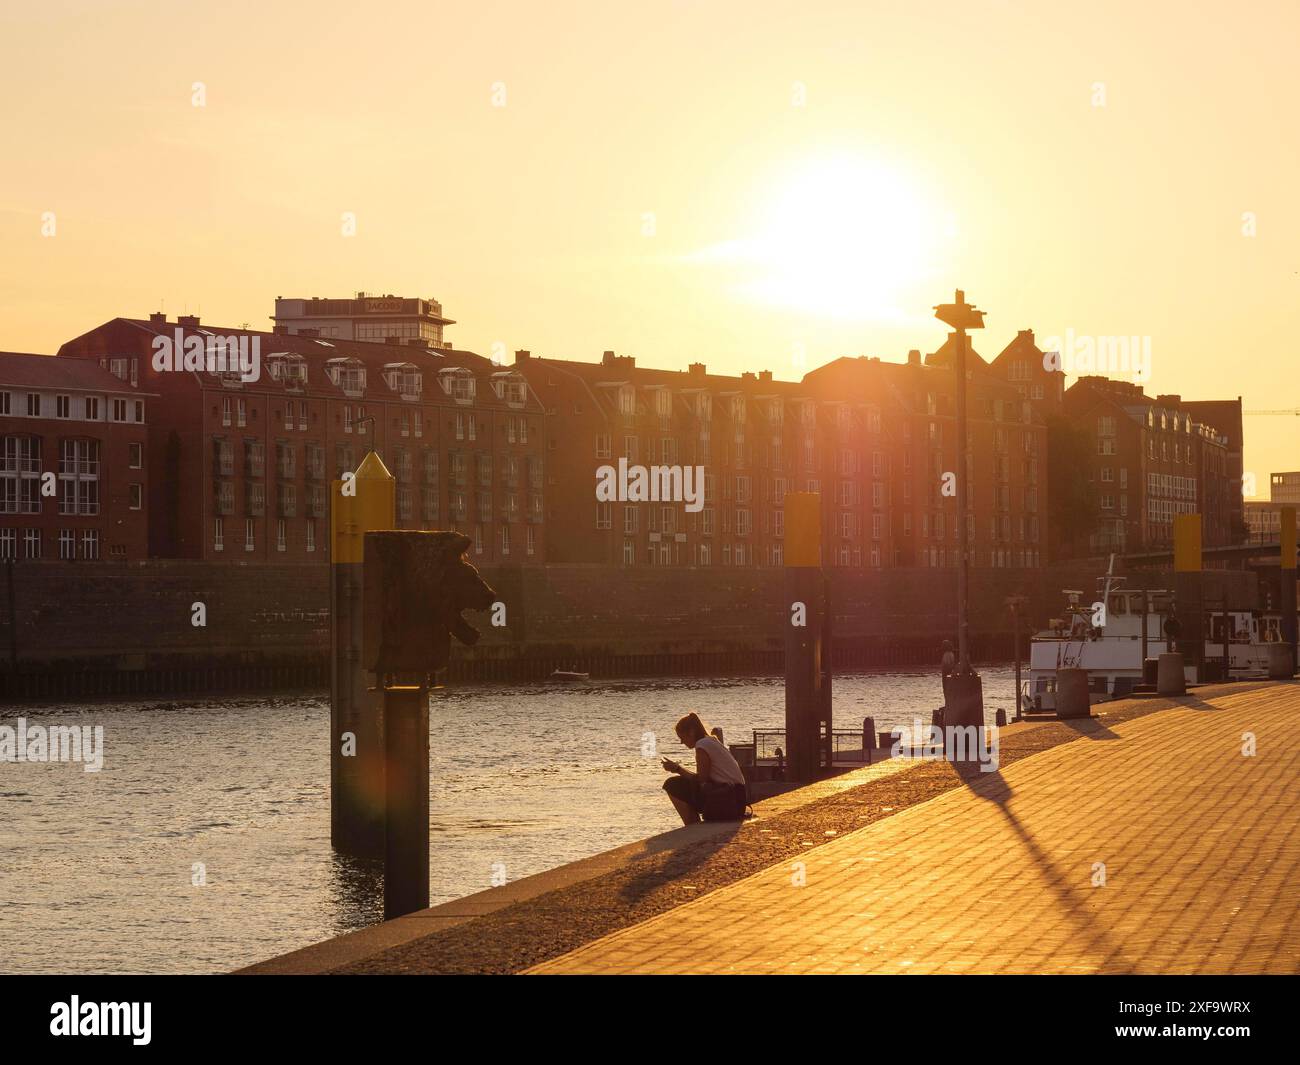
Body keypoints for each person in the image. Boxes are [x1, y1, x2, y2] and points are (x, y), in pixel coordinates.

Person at [661, 712, 748, 825]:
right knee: (682, 784)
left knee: (672, 784)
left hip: (729, 799)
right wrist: (678, 769)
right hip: (738, 798)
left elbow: (702, 779)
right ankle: (693, 825)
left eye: (682, 737)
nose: (681, 742)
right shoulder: (711, 741)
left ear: (691, 732)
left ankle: (692, 825)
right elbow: (702, 778)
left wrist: (677, 769)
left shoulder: (702, 745)